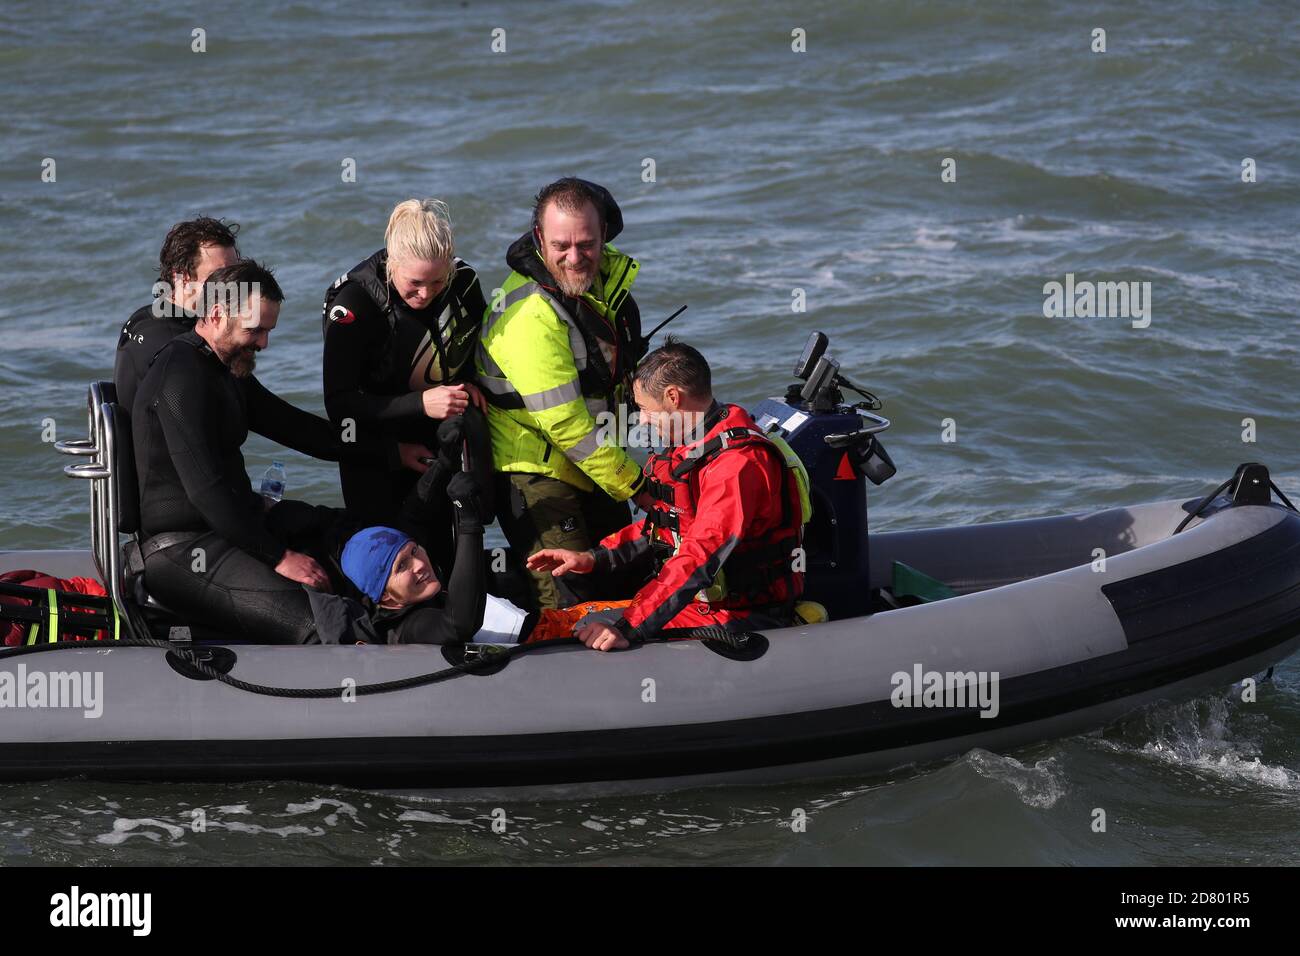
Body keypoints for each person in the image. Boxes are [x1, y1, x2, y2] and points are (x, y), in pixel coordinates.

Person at [131, 259, 425, 644]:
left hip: (239, 526)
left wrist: (391, 452)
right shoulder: (180, 375)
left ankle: (421, 625)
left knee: (354, 537)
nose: (264, 343)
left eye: (268, 331)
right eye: (256, 330)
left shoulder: (223, 367)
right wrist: (280, 557)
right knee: (319, 626)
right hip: (185, 549)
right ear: (218, 314)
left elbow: (299, 429)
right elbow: (207, 491)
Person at [526, 340, 810, 651]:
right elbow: (665, 526)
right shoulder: (698, 443)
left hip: (741, 615)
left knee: (576, 631)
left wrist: (628, 627)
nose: (643, 420)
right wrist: (594, 558)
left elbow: (698, 557)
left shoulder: (737, 465)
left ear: (673, 397)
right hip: (702, 604)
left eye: (645, 409)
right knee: (565, 621)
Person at [476, 178, 651, 611]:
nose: (575, 258)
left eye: (587, 244)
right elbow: (567, 428)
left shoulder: (607, 281)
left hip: (596, 463)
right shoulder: (529, 317)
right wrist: (638, 487)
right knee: (570, 602)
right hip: (536, 472)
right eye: (561, 246)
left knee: (626, 580)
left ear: (603, 235)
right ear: (539, 239)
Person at [322, 199, 490, 575]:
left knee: (442, 562)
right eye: (414, 283)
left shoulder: (464, 284)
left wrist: (473, 380)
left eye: (437, 281)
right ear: (392, 263)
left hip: (437, 447)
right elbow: (340, 404)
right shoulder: (355, 305)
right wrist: (420, 404)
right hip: (374, 453)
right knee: (390, 568)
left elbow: (478, 351)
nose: (427, 294)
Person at [114, 216, 240, 415]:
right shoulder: (187, 346)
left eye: (235, 274)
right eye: (219, 276)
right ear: (180, 276)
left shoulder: (140, 320)